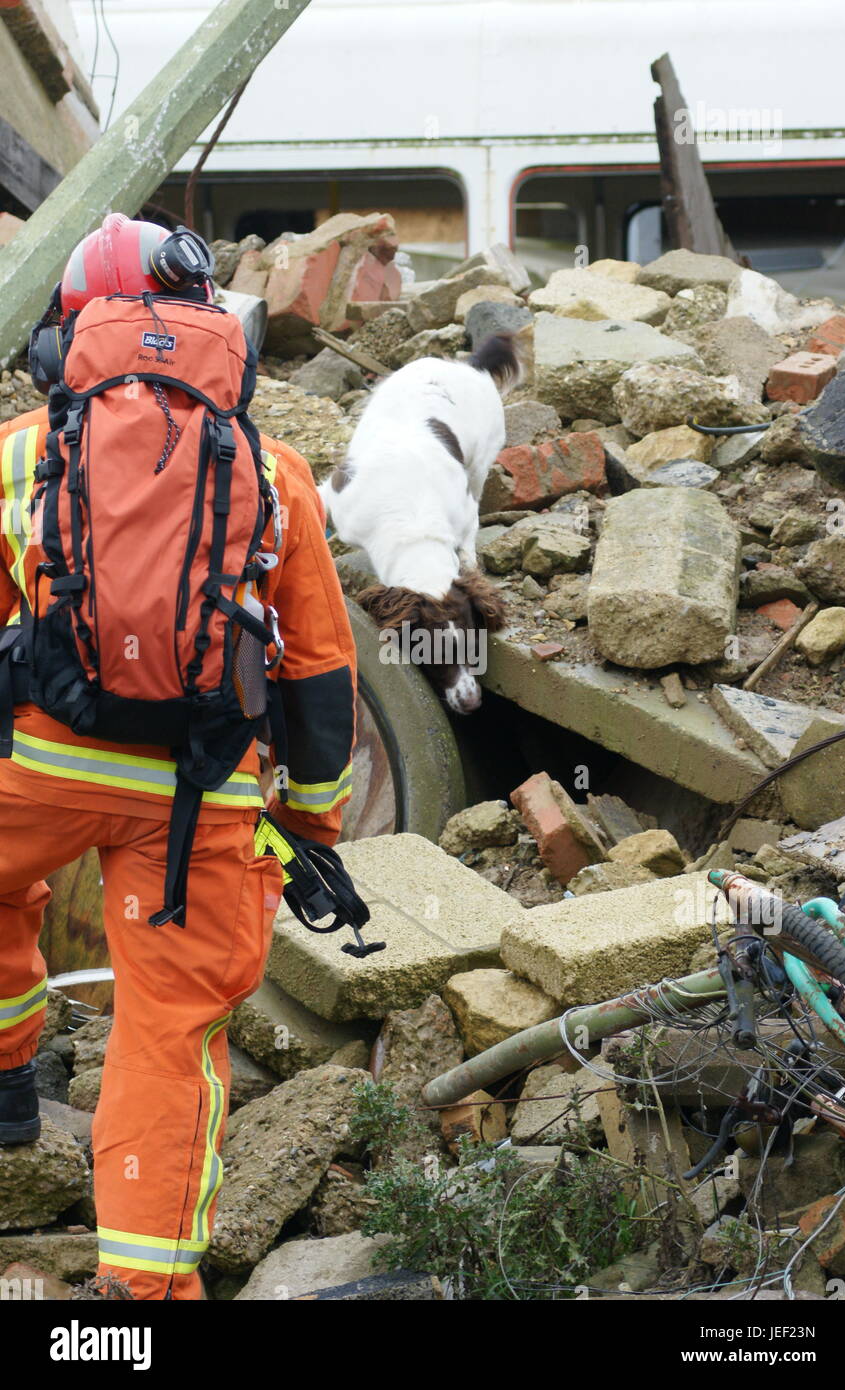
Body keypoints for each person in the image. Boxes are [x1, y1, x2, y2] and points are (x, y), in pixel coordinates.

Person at [0, 213, 356, 1300]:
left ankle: (10, 1075)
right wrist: (308, 825)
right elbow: (318, 672)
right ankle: (141, 1298)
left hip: (37, 771)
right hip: (199, 794)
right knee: (167, 1031)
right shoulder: (273, 471)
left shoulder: (18, 456)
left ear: (73, 329)